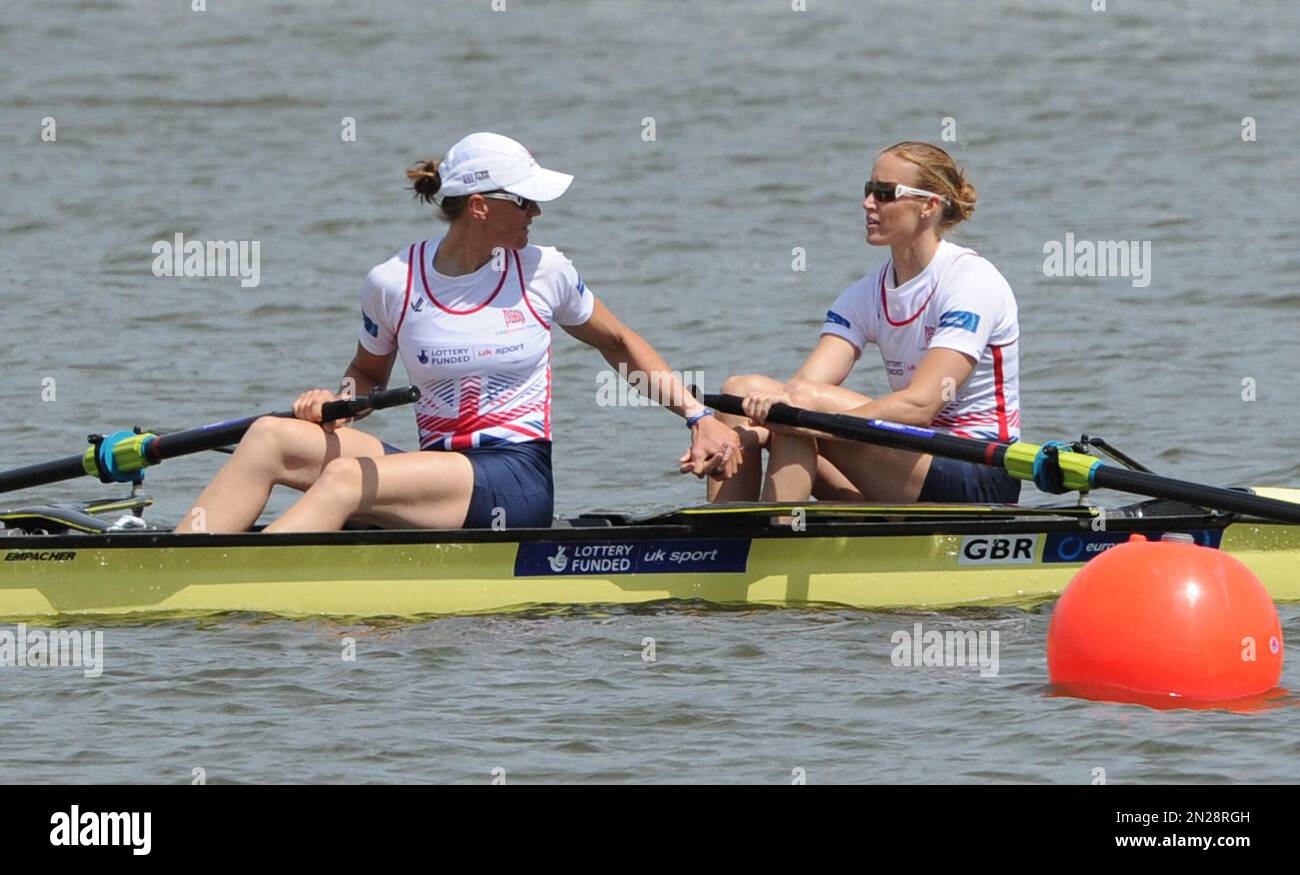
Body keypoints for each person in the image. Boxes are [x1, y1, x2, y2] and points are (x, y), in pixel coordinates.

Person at [175, 132, 739, 534]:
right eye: (525, 199)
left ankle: (241, 587)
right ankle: (176, 561)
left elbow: (618, 342)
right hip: (437, 470)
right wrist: (337, 402)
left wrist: (698, 417)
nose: (537, 212)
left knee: (346, 477)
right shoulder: (393, 281)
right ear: (480, 207)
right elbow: (368, 376)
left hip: (513, 479)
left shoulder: (545, 270)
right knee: (271, 436)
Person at [711, 141, 1020, 505]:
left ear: (929, 206)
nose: (868, 203)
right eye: (869, 190)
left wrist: (806, 422)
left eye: (885, 194)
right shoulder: (865, 294)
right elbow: (803, 386)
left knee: (797, 408)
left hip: (977, 473)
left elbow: (920, 406)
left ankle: (775, 540)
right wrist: (744, 434)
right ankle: (723, 543)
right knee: (738, 392)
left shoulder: (971, 283)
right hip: (905, 459)